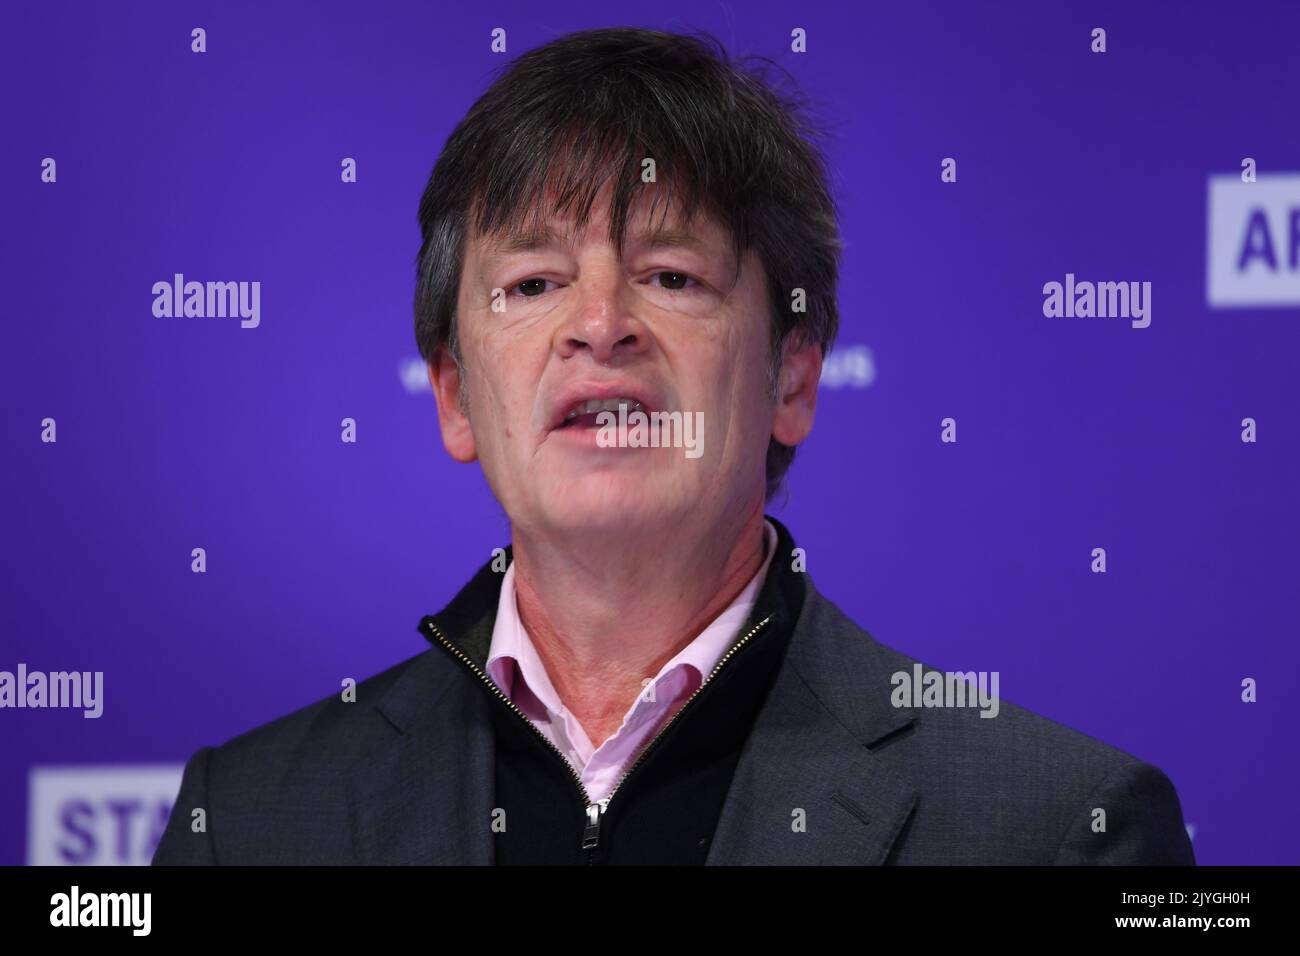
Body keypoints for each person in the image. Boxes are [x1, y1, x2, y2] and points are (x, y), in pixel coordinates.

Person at [153, 26, 1194, 866]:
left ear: (791, 375)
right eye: (532, 283)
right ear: (457, 396)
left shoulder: (1059, 829)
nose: (599, 323)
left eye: (671, 276)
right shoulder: (246, 822)